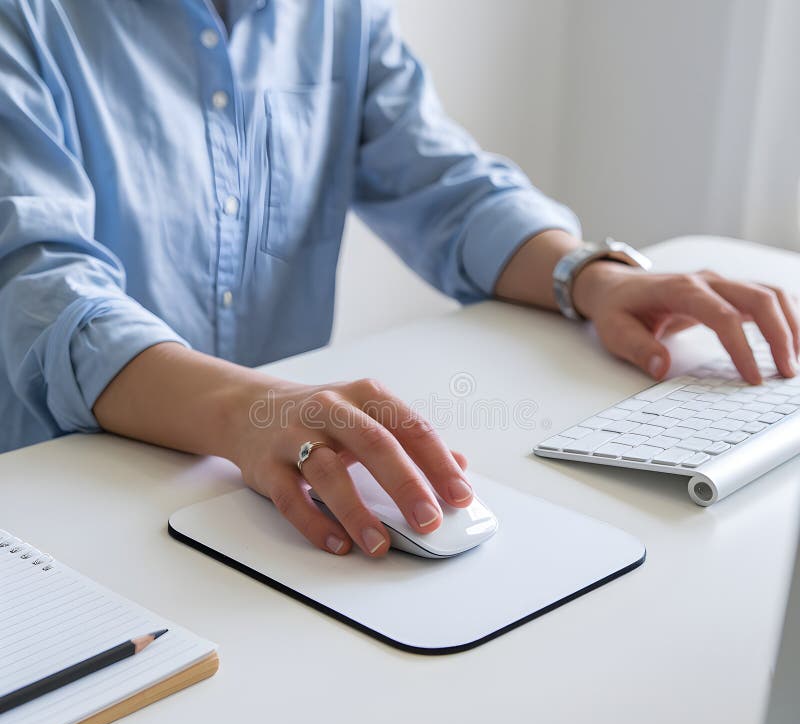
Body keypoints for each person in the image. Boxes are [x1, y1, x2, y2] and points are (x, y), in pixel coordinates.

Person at [0, 0, 797, 559]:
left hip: (277, 497)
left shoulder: (339, 13)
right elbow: (38, 284)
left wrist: (589, 274)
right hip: (59, 508)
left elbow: (444, 183)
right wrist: (248, 411)